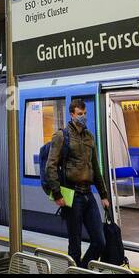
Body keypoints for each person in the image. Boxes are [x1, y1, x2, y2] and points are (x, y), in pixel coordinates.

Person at [46, 98, 111, 267]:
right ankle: (77, 270)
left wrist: (103, 195)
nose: (83, 117)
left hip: (88, 194)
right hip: (71, 195)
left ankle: (81, 270)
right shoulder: (62, 136)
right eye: (80, 114)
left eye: (85, 114)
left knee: (100, 241)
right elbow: (50, 166)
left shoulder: (89, 136)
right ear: (72, 114)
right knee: (74, 245)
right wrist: (57, 194)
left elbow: (95, 167)